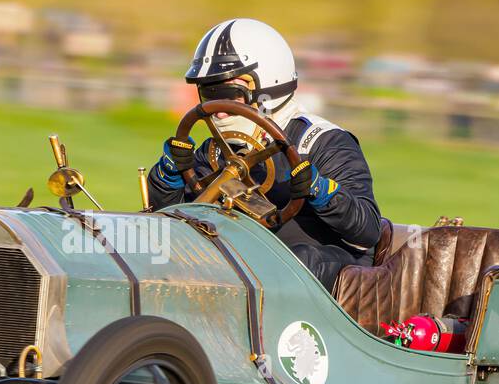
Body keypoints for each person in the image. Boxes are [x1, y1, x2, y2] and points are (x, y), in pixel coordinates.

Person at [147, 18, 382, 288]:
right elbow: (171, 224)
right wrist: (167, 176)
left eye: (227, 93)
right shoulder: (216, 150)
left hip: (319, 272)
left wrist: (321, 191)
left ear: (268, 86)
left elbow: (368, 232)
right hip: (242, 266)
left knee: (290, 261)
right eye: (209, 95)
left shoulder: (323, 142)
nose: (219, 108)